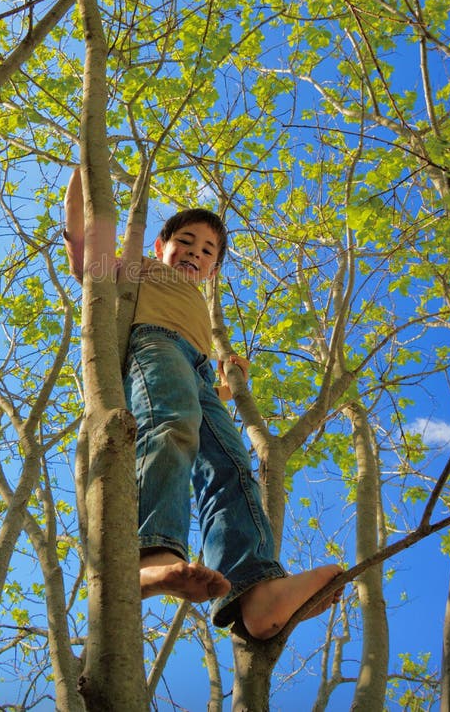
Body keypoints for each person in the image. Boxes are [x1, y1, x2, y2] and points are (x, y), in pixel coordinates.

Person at [63, 168, 342, 639]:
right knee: (171, 426)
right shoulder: (142, 271)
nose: (195, 253)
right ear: (159, 248)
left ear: (213, 270)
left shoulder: (197, 298)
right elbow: (87, 251)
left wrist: (227, 389)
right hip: (153, 345)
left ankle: (256, 589)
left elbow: (195, 394)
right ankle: (152, 552)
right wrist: (86, 174)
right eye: (185, 242)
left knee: (231, 464)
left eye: (207, 251)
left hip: (193, 367)